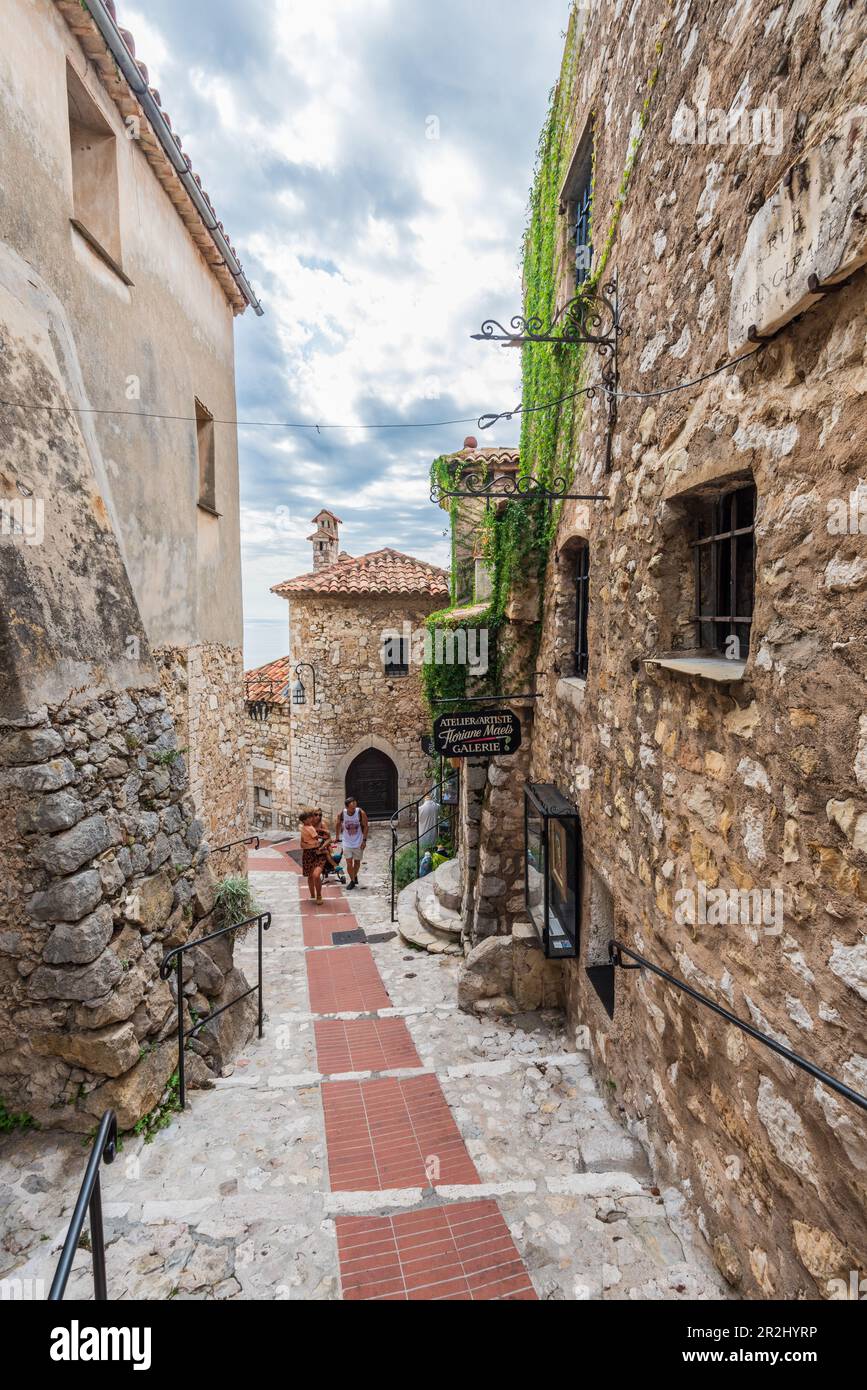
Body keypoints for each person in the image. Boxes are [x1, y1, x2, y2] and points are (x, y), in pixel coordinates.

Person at [337, 795, 368, 889]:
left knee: (357, 863)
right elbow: (338, 824)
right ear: (347, 807)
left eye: (355, 803)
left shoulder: (360, 813)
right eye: (352, 804)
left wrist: (364, 841)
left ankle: (354, 875)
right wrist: (337, 836)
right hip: (347, 842)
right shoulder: (342, 813)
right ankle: (352, 881)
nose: (354, 805)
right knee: (349, 863)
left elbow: (366, 826)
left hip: (358, 841)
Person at [299, 809, 327, 904]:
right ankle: (312, 895)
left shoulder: (322, 825)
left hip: (320, 854)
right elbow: (302, 844)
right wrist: (313, 845)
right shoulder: (305, 828)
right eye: (315, 815)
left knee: (316, 875)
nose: (317, 817)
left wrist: (321, 846)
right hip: (308, 854)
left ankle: (319, 895)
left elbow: (329, 838)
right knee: (310, 876)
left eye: (320, 814)